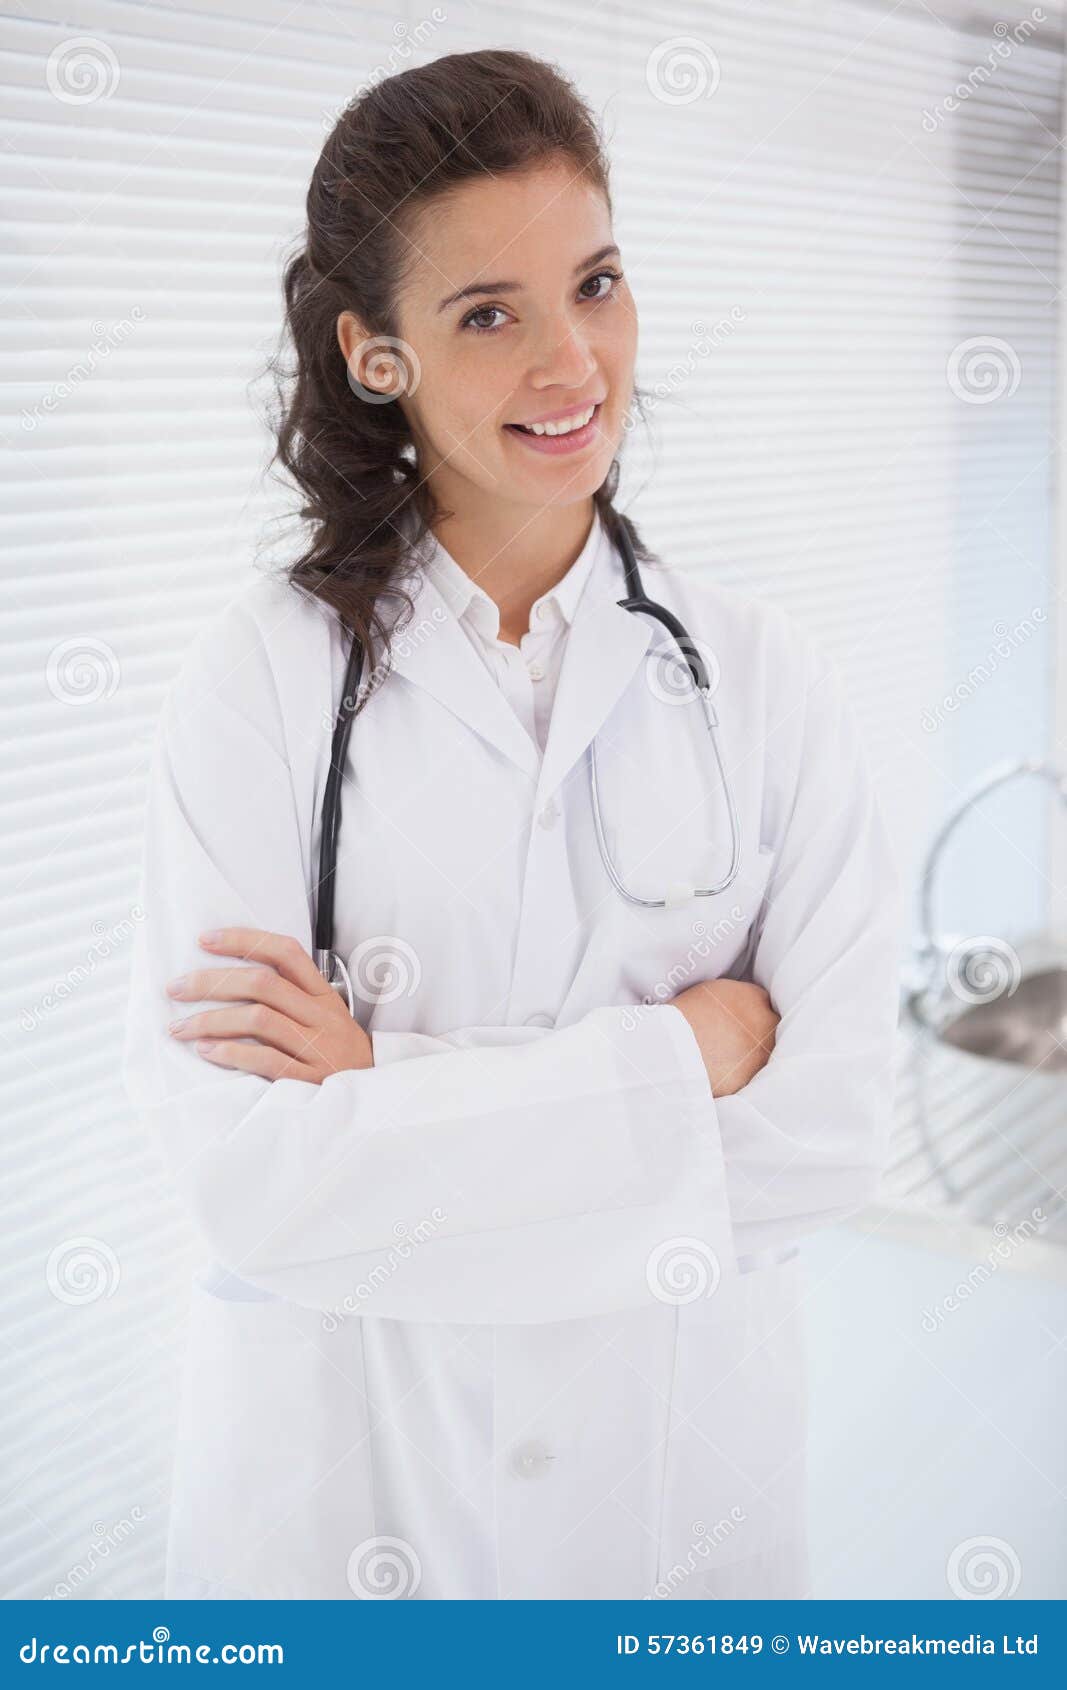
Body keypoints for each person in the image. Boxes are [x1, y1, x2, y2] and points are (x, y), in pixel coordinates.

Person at [122, 47, 903, 1601]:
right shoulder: (258, 685)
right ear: (375, 355)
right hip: (343, 1532)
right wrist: (680, 1058)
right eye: (490, 314)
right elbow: (254, 1183)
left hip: (674, 1521)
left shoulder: (764, 681)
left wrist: (386, 1094)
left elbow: (827, 1136)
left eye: (596, 284)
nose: (574, 364)